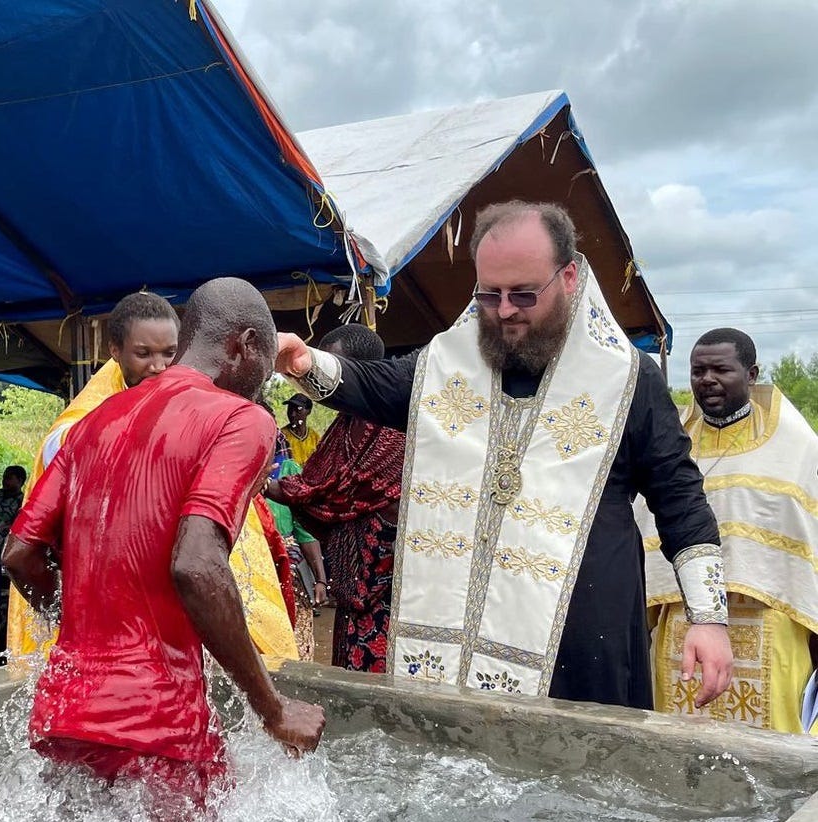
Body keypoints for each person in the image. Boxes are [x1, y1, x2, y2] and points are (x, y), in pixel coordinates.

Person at [275, 200, 734, 709]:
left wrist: (708, 618)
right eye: (489, 295)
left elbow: (680, 497)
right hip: (455, 643)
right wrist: (303, 361)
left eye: (523, 294)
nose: (506, 310)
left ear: (569, 276)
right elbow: (380, 384)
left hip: (579, 644)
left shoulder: (627, 379)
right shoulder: (450, 362)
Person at [4, 277, 325, 821]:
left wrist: (76, 618)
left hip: (63, 711)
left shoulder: (93, 423)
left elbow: (18, 553)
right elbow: (197, 566)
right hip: (158, 723)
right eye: (265, 365)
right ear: (244, 345)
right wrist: (271, 709)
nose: (262, 384)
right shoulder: (241, 419)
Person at [6, 290, 298, 666]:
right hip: (127, 612)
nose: (158, 366)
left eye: (169, 354)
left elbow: (19, 554)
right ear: (115, 351)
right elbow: (194, 561)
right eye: (143, 354)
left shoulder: (104, 427)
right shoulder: (79, 430)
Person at [638, 328, 818, 733]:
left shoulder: (797, 446)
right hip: (683, 613)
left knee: (774, 744)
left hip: (769, 615)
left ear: (751, 374)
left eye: (721, 369)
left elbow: (806, 538)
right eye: (698, 370)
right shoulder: (671, 441)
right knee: (681, 733)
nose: (707, 379)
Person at [266, 324, 406, 673]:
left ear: (358, 371)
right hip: (358, 586)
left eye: (330, 367)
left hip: (383, 577)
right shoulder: (349, 424)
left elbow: (328, 489)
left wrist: (261, 483)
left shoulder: (390, 423)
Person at [263, 458, 327, 661]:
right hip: (254, 572)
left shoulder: (288, 470)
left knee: (295, 639)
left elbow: (305, 531)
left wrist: (320, 579)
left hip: (288, 571)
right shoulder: (229, 467)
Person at [282, 393, 320, 465]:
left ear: (308, 411)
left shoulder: (315, 438)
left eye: (298, 410)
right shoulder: (282, 437)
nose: (292, 414)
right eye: (290, 409)